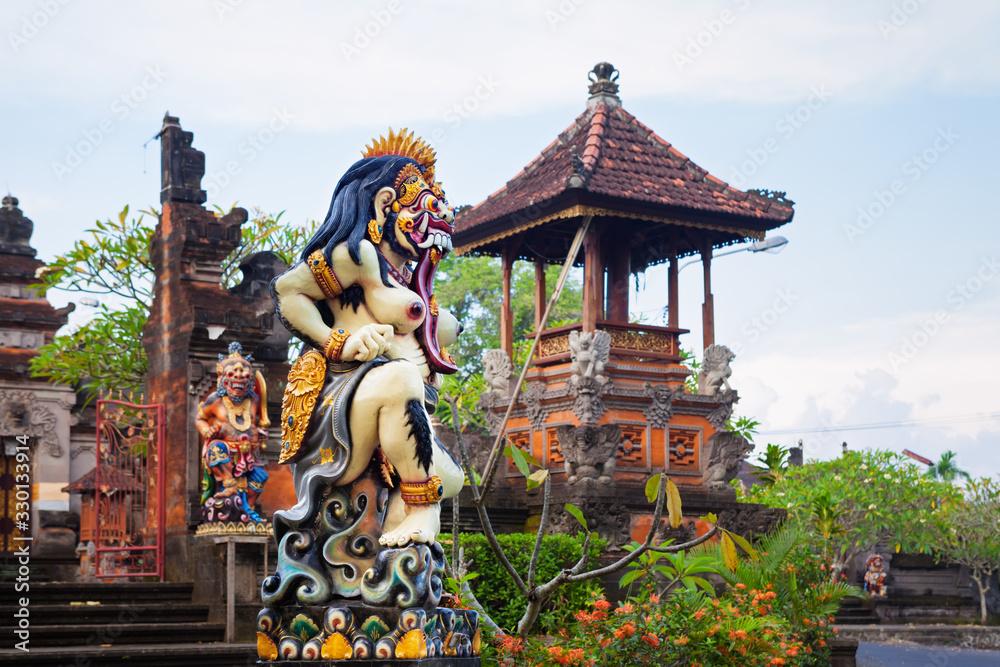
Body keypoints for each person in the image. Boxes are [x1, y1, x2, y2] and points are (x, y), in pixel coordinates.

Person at [270, 129, 463, 547]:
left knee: (453, 477)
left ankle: (400, 512)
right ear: (385, 205)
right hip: (344, 403)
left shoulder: (406, 275)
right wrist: (336, 340)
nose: (440, 218)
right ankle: (420, 509)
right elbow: (288, 291)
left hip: (398, 413)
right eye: (426, 207)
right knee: (399, 378)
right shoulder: (353, 255)